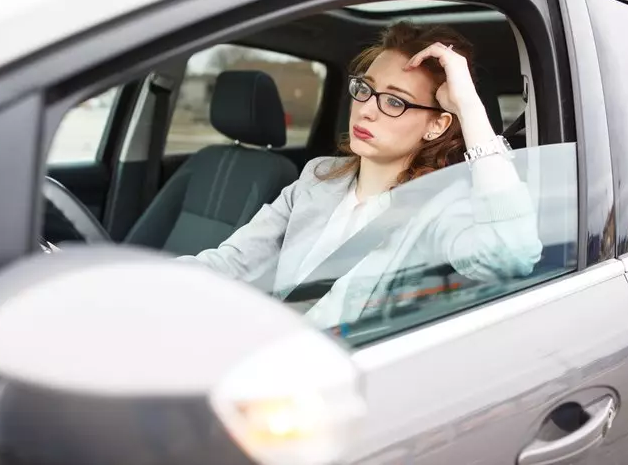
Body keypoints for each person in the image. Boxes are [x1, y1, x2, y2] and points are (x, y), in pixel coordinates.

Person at [180, 22, 543, 328]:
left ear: (437, 125)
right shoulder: (318, 177)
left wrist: (469, 107)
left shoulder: (440, 206)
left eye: (395, 101)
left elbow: (511, 254)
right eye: (366, 89)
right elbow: (234, 262)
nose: (367, 110)